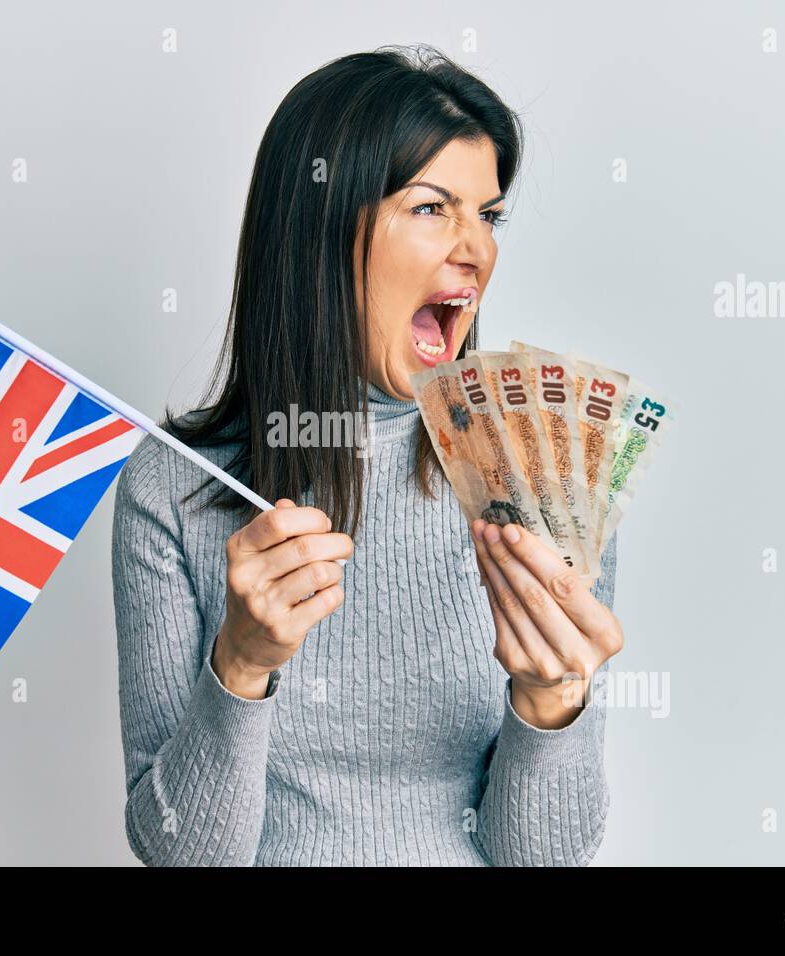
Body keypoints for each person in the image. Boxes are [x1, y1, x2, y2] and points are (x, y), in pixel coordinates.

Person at [111, 44, 624, 866]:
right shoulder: (172, 486)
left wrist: (551, 700)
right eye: (432, 208)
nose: (477, 251)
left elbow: (543, 860)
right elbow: (182, 855)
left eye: (487, 217)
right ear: (321, 228)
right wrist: (240, 665)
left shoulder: (540, 471)